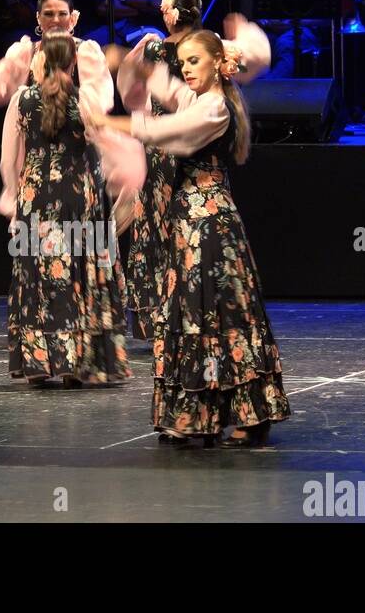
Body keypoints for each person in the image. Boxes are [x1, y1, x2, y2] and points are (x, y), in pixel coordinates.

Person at [94, 28, 290, 448]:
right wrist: (134, 66)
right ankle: (194, 413)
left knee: (219, 313)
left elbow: (173, 130)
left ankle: (248, 415)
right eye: (182, 63)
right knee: (189, 312)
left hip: (212, 225)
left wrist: (112, 121)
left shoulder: (216, 107)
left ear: (219, 62)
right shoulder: (200, 98)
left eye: (194, 61)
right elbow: (169, 91)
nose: (185, 69)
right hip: (189, 223)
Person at [0, 31, 131, 387]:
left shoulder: (21, 100)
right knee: (77, 271)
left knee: (38, 273)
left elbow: (9, 161)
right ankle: (78, 361)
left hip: (36, 196)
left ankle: (40, 361)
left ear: (40, 60)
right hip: (78, 195)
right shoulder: (85, 99)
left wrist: (15, 197)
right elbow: (105, 149)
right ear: (74, 63)